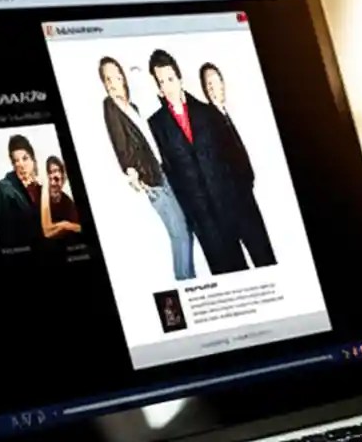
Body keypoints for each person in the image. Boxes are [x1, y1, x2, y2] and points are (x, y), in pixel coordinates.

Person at [146, 49, 247, 275]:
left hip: (225, 205)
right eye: (162, 82)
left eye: (170, 79)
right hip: (199, 214)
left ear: (179, 78)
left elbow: (225, 159)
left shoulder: (206, 112)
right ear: (158, 86)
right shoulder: (156, 124)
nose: (168, 86)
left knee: (239, 266)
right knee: (220, 272)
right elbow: (169, 170)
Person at [101, 56, 195, 281]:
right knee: (179, 233)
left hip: (162, 172)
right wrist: (131, 172)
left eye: (117, 75)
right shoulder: (110, 106)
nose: (114, 81)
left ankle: (188, 278)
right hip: (151, 179)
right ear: (104, 83)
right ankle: (185, 283)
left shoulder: (131, 106)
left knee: (185, 229)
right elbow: (120, 145)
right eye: (108, 78)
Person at [199, 62, 276, 267]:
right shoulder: (208, 119)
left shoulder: (224, 113)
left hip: (246, 200)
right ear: (205, 89)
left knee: (265, 257)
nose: (215, 88)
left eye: (217, 81)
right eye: (210, 84)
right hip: (235, 205)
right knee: (258, 256)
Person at [0, 134, 42, 248]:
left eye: (25, 158)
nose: (21, 165)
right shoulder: (4, 188)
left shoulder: (40, 189)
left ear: (33, 159)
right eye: (16, 161)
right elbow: (2, 234)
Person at [40, 156, 81, 240]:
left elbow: (79, 227)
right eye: (50, 173)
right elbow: (47, 231)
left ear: (63, 179)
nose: (53, 183)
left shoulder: (68, 202)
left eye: (57, 179)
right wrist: (64, 225)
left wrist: (65, 226)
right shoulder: (41, 195)